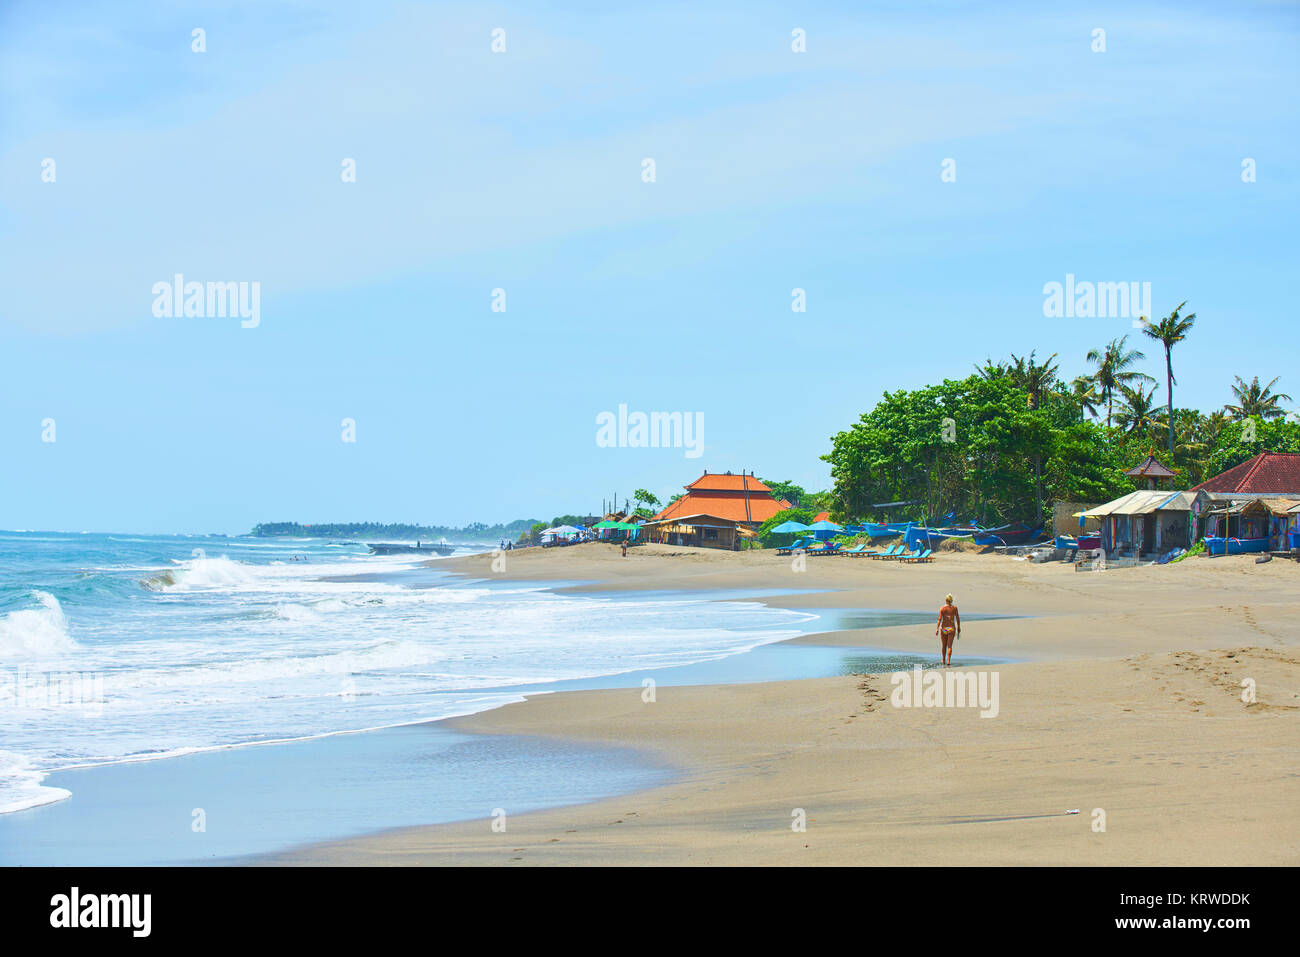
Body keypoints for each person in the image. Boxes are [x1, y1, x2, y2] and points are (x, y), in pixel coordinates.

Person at [936, 594, 960, 667]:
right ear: (951, 600)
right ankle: (948, 661)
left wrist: (937, 629)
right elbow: (957, 619)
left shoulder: (942, 608)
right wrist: (958, 627)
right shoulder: (954, 608)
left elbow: (939, 619)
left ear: (946, 600)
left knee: (944, 645)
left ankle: (943, 659)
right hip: (951, 628)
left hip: (944, 628)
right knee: (949, 646)